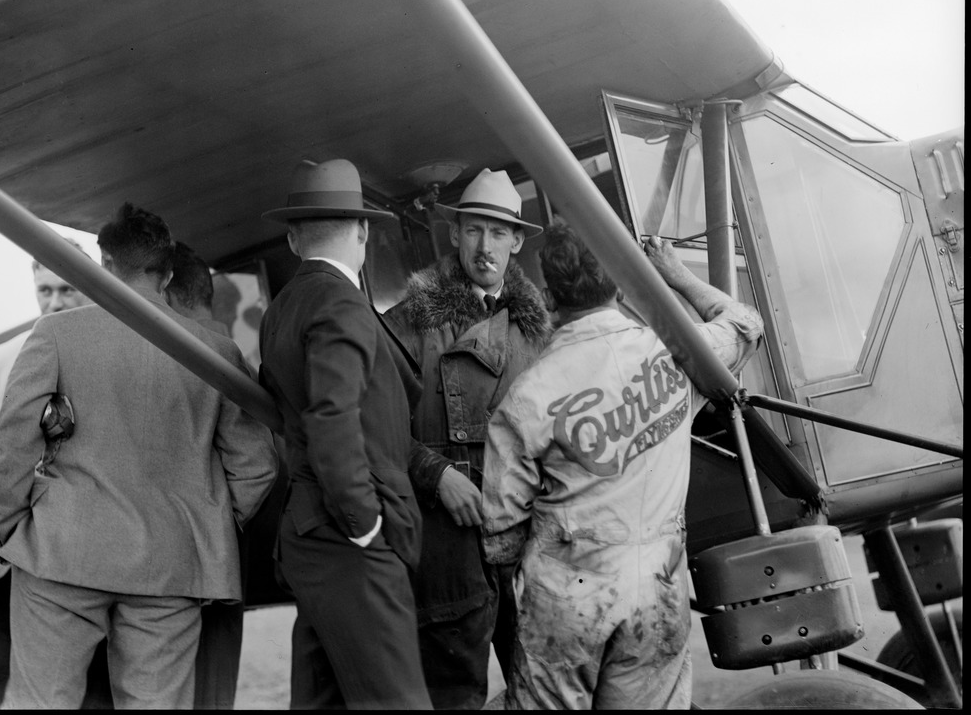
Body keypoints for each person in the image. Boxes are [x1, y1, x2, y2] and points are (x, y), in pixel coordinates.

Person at [0, 203, 279, 709]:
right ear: (168, 273)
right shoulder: (218, 352)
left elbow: (11, 440)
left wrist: (16, 523)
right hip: (172, 564)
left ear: (103, 265)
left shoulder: (57, 334)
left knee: (38, 703)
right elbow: (257, 467)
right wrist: (201, 524)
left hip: (62, 549)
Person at [481, 223, 764, 709]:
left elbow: (501, 537)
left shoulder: (526, 397)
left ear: (549, 297)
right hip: (659, 584)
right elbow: (745, 324)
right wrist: (674, 275)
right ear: (619, 283)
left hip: (567, 592)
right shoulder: (680, 355)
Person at [258, 158, 432, 709]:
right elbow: (332, 418)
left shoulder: (281, 308)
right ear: (362, 231)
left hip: (310, 536)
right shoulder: (341, 302)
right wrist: (364, 523)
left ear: (292, 238)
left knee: (322, 700)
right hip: (348, 537)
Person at [384, 167, 552, 708]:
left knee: (546, 692)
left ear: (517, 242)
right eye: (475, 230)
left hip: (524, 538)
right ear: (453, 234)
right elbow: (370, 424)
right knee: (454, 694)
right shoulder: (407, 322)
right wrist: (437, 476)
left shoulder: (539, 330)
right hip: (445, 544)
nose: (485, 247)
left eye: (499, 233)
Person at [0, 241, 101, 710]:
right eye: (44, 290)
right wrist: (15, 482)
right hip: (3, 560)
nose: (55, 303)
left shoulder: (110, 358)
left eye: (66, 290)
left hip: (88, 559)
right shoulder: (0, 360)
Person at [165, 240, 250, 710]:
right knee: (216, 691)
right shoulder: (237, 351)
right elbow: (255, 469)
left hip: (172, 558)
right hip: (223, 560)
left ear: (169, 292)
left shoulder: (183, 351)